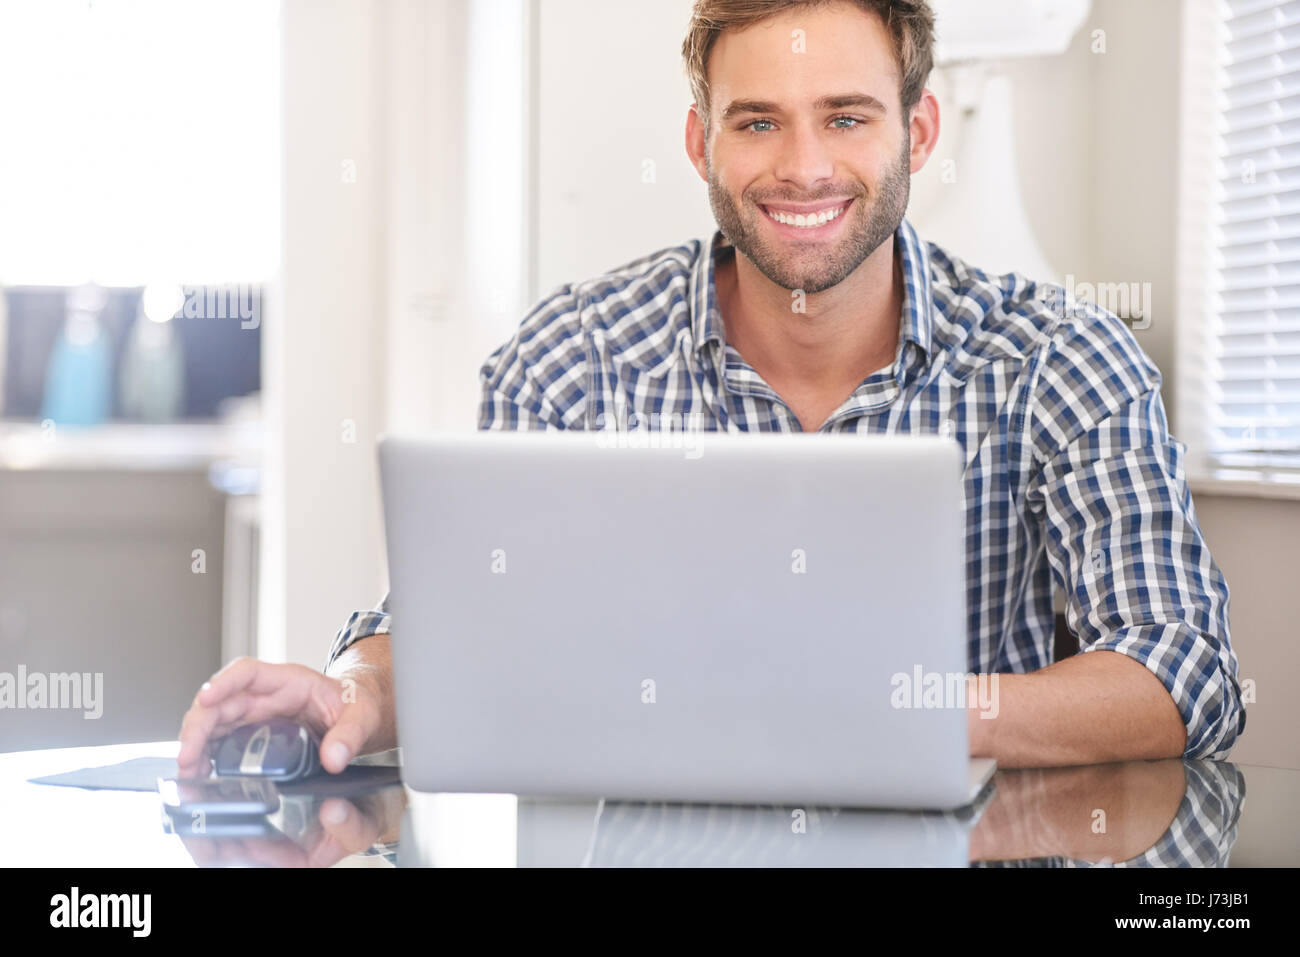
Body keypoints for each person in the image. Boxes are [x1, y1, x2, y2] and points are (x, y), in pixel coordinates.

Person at [179, 0, 1245, 779]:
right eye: (757, 121)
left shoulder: (1064, 359)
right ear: (701, 142)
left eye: (845, 116)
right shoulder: (572, 361)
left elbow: (1182, 670)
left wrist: (905, 712)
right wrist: (356, 693)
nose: (803, 168)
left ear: (916, 134)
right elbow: (458, 630)